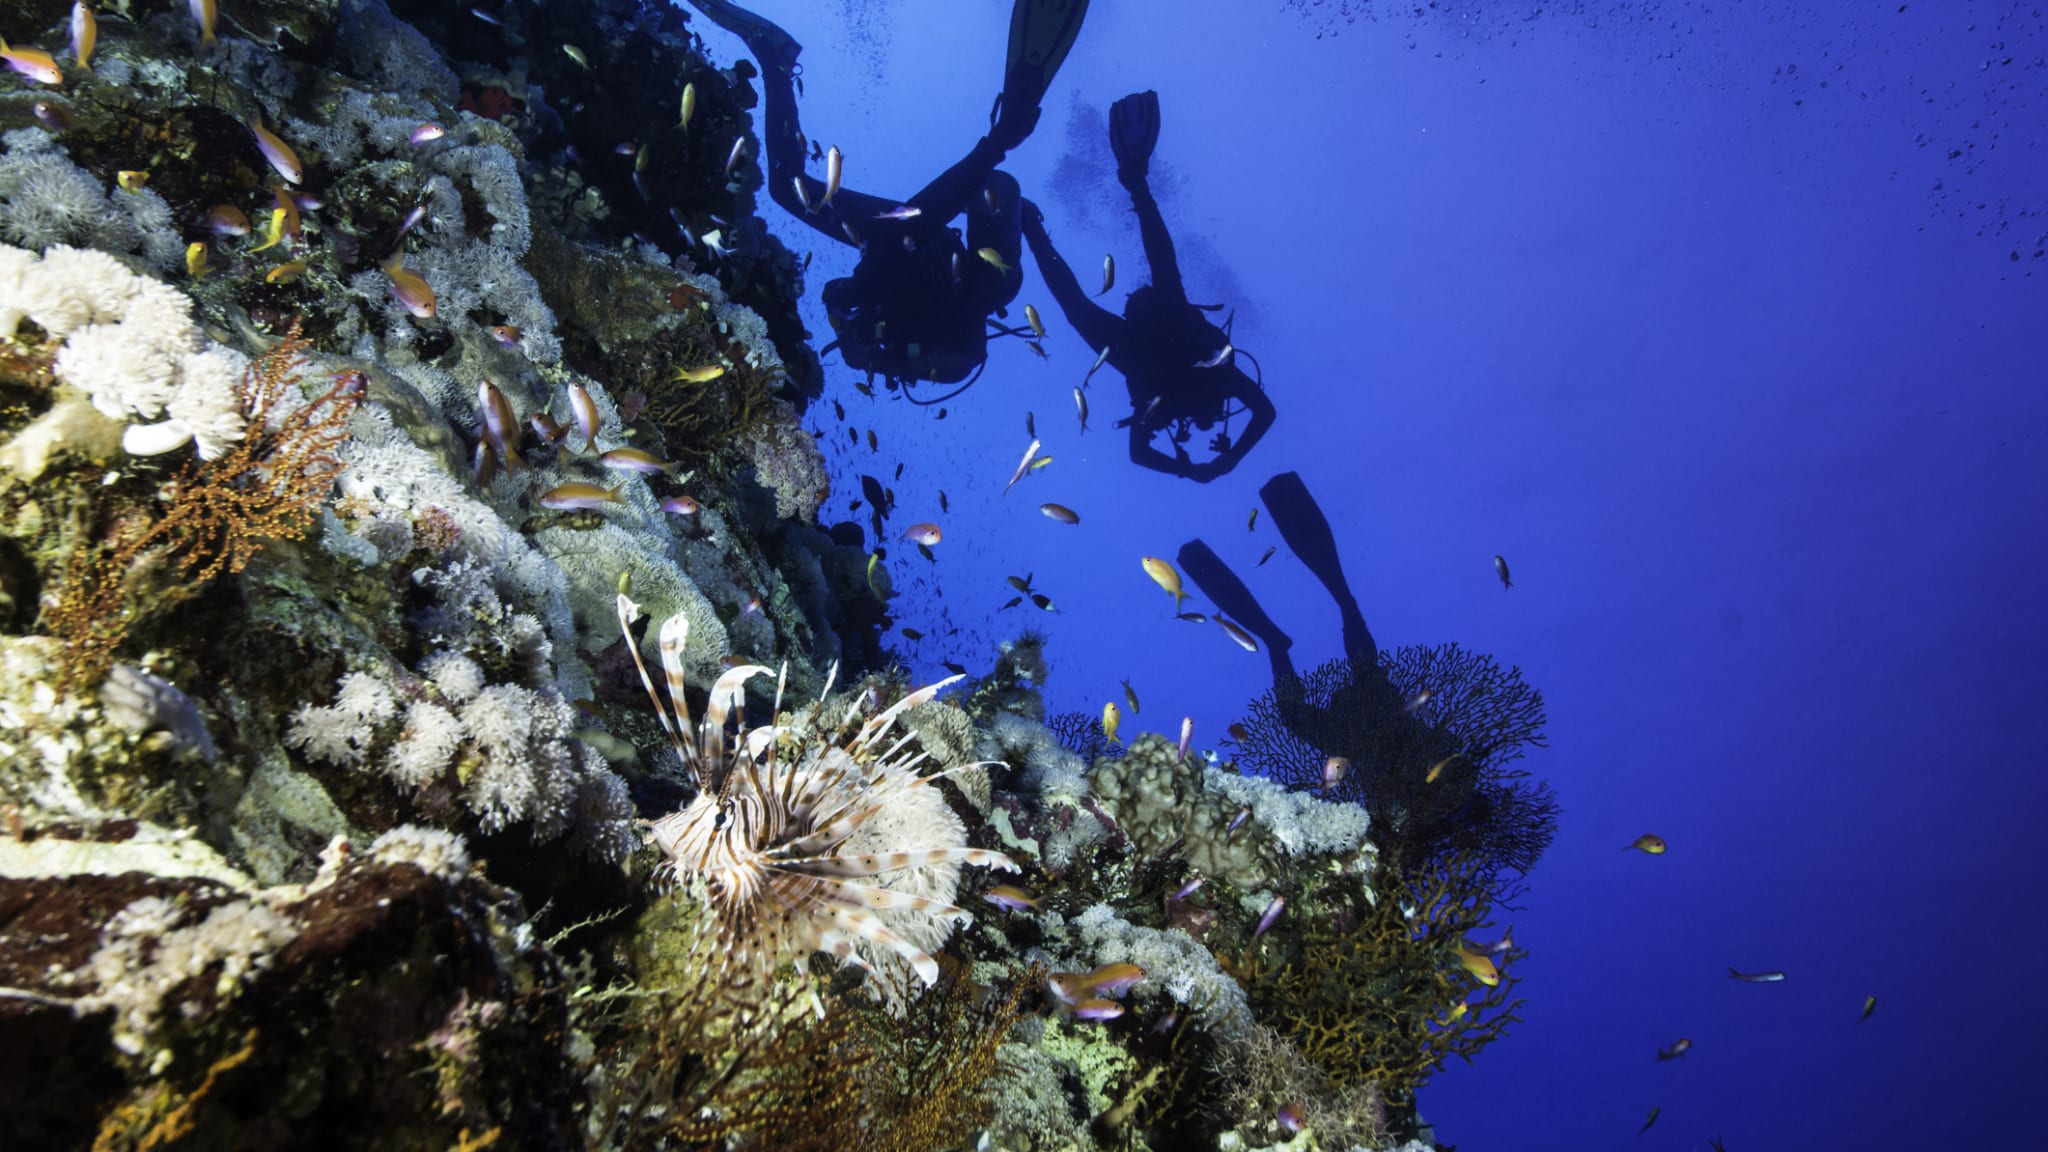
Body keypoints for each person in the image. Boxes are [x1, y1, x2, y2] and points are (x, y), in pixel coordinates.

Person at [685, 0, 1090, 394]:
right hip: (919, 242)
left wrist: (848, 323)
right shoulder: (957, 338)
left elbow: (843, 290)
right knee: (902, 227)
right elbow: (949, 349)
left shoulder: (890, 340)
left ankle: (775, 60)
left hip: (893, 240)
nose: (923, 370)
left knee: (787, 188)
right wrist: (873, 350)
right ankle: (999, 140)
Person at [1021, 90, 1276, 482]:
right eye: (1210, 418)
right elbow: (1265, 411)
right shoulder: (1221, 380)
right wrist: (1219, 463)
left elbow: (1138, 453)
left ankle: (1038, 223)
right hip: (1171, 334)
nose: (1206, 419)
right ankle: (1127, 186)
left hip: (1139, 349)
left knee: (1086, 305)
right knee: (1105, 296)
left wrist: (1191, 469)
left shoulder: (1167, 406)